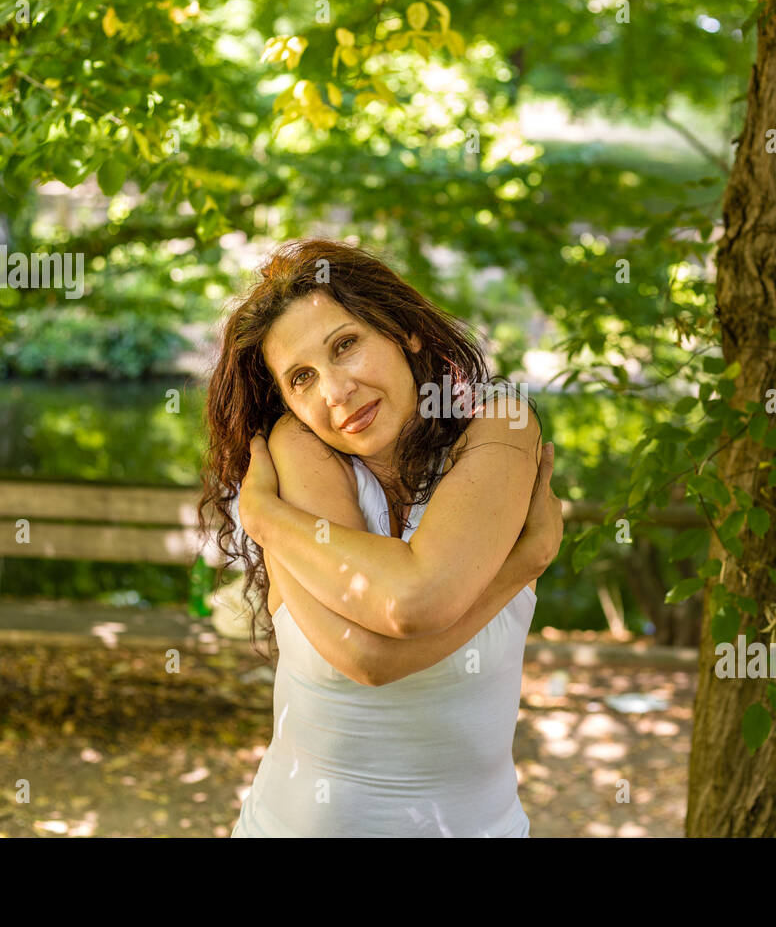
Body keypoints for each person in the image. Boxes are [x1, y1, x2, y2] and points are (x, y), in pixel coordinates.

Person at [197, 237, 564, 837]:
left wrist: (265, 517)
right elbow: (369, 656)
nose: (334, 392)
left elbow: (415, 602)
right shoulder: (298, 448)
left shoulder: (503, 426)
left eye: (346, 345)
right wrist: (524, 563)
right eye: (302, 378)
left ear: (403, 331)